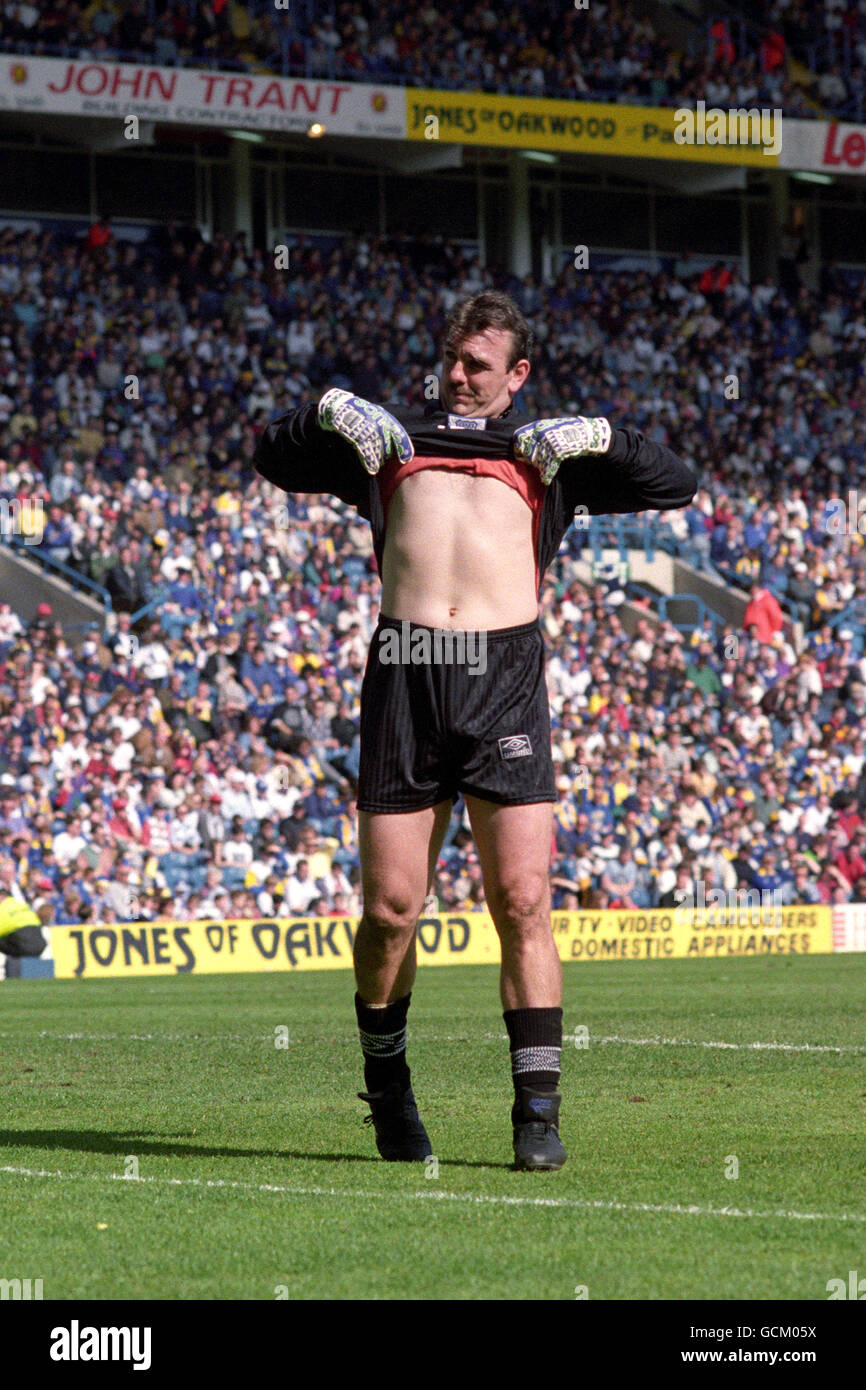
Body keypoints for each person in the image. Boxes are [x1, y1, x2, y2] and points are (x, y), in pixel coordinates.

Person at [253, 291, 696, 1170]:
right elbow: (271, 458)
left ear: (517, 376)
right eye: (451, 359)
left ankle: (537, 1115)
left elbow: (678, 482)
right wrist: (328, 409)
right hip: (405, 678)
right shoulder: (391, 445)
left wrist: (600, 432)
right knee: (388, 913)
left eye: (479, 366)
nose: (459, 377)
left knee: (524, 902)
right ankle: (388, 1092)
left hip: (504, 684)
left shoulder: (545, 457)